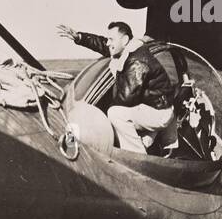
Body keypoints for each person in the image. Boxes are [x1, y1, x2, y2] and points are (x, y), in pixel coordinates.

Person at [57, 21, 176, 154]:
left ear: (125, 40)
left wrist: (97, 116)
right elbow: (103, 44)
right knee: (115, 111)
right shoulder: (129, 50)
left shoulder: (137, 62)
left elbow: (126, 99)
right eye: (108, 39)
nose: (108, 43)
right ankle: (147, 139)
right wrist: (80, 37)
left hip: (160, 112)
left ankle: (136, 154)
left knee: (116, 114)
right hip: (153, 105)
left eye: (111, 39)